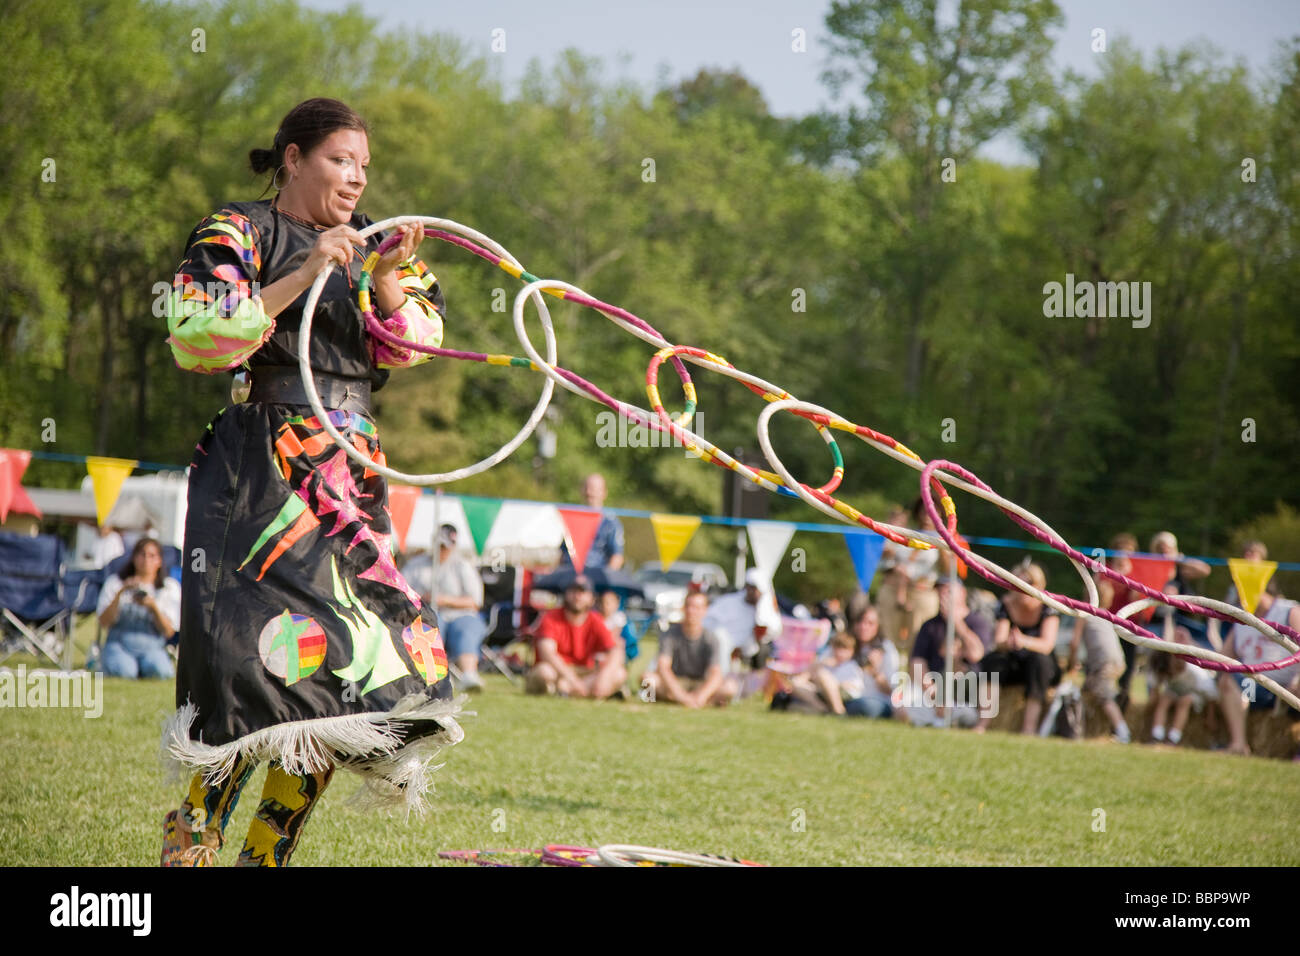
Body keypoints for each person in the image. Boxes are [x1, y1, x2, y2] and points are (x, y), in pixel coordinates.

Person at [159, 98, 459, 868]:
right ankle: (192, 841)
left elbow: (415, 345)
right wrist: (306, 268)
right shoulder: (238, 230)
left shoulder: (377, 249)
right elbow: (199, 337)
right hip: (257, 471)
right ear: (292, 158)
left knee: (344, 677)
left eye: (364, 164)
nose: (357, 178)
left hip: (347, 475)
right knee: (246, 669)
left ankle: (266, 859)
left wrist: (385, 277)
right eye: (339, 160)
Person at [1215, 578, 1300, 757]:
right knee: (1228, 680)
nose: (1239, 595)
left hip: (1288, 686)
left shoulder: (1289, 610)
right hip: (1254, 689)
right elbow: (1221, 659)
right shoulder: (1242, 618)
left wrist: (1297, 679)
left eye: (1242, 589)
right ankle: (1238, 744)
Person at [978, 560, 1062, 734]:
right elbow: (999, 642)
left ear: (1038, 585)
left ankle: (1029, 727)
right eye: (1018, 582)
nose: (1023, 587)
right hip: (1014, 663)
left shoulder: (1048, 606)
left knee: (1039, 661)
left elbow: (1047, 645)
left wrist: (1024, 641)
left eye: (1029, 583)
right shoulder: (1006, 604)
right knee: (993, 661)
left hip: (1040, 667)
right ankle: (983, 723)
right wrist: (1009, 642)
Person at [405, 524, 487, 692]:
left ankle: (469, 674)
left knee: (466, 631)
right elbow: (402, 590)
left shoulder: (463, 565)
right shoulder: (416, 565)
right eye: (440, 546)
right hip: (428, 613)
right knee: (428, 629)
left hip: (461, 615)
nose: (442, 550)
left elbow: (475, 601)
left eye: (446, 547)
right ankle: (430, 676)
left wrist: (446, 600)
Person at [900, 578, 990, 727]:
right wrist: (934, 694)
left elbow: (976, 654)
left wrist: (956, 622)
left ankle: (951, 718)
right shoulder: (929, 626)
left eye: (948, 590)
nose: (943, 594)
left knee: (967, 716)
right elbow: (917, 663)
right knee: (910, 710)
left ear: (962, 593)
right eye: (939, 590)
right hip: (935, 691)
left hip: (965, 692)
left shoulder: (977, 622)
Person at [528, 575, 627, 697]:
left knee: (619, 673)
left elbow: (616, 650)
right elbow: (548, 653)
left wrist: (605, 676)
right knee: (544, 673)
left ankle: (567, 690)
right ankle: (578, 690)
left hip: (583, 671)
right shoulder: (551, 618)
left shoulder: (596, 620)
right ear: (566, 594)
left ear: (592, 598)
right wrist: (572, 680)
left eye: (583, 592)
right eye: (573, 591)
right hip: (558, 670)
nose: (577, 596)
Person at [95, 538, 181, 679]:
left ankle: (141, 667)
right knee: (124, 671)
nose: (146, 560)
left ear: (160, 560)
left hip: (152, 646)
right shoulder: (115, 583)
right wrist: (121, 593)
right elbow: (104, 622)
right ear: (134, 558)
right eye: (142, 554)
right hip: (119, 644)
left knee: (161, 672)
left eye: (152, 555)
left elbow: (169, 632)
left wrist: (153, 607)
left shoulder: (168, 588)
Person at [642, 590, 736, 707]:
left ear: (705, 610)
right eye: (688, 606)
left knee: (730, 687)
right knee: (647, 680)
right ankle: (695, 701)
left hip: (700, 683)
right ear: (683, 608)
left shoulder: (711, 638)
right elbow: (663, 667)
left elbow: (716, 674)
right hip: (675, 682)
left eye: (696, 607)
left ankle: (689, 700)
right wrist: (682, 696)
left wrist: (701, 695)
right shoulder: (669, 634)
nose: (691, 611)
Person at [1065, 586, 1132, 743]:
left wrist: (1072, 662)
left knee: (1104, 696)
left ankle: (1123, 731)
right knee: (1088, 688)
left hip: (1103, 662)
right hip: (1118, 661)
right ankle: (1079, 724)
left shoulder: (1084, 614)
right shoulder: (1106, 616)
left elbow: (1074, 643)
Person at [703, 567, 783, 669]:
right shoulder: (729, 602)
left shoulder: (766, 610)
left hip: (748, 658)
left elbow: (768, 633)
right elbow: (708, 623)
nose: (751, 592)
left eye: (755, 589)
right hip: (720, 650)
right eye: (750, 587)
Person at [560, 473, 625, 570]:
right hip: (569, 574)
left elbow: (617, 557)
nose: (589, 492)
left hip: (596, 576)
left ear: (604, 493)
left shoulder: (610, 523)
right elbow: (562, 553)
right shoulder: (572, 519)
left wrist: (605, 581)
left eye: (594, 489)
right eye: (586, 487)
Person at [598, 588, 639, 662]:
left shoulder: (618, 617)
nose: (604, 605)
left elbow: (614, 635)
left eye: (608, 603)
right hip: (600, 645)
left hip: (610, 645)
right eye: (602, 602)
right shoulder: (597, 617)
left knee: (619, 643)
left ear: (616, 604)